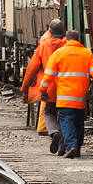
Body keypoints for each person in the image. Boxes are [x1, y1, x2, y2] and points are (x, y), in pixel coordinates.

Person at [39, 29, 93, 158]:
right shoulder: (87, 54)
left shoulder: (58, 54)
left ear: (66, 39)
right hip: (80, 97)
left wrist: (43, 90)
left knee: (66, 121)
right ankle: (77, 147)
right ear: (78, 40)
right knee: (78, 122)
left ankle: (71, 147)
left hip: (65, 97)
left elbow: (48, 76)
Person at [21, 20, 66, 153]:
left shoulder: (44, 46)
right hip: (66, 87)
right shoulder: (68, 46)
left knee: (49, 112)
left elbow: (31, 69)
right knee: (64, 115)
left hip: (48, 88)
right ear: (63, 31)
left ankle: (53, 132)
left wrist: (25, 88)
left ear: (50, 31)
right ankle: (63, 143)